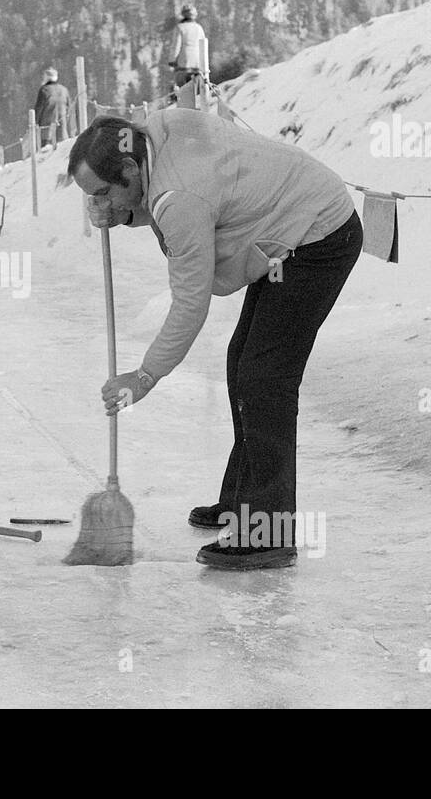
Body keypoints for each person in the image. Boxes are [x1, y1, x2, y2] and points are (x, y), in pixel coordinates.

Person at [67, 111, 361, 571]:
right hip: (286, 226)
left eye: (102, 192)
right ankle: (242, 500)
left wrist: (144, 377)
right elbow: (178, 190)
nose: (98, 202)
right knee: (242, 362)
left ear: (129, 170)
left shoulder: (178, 198)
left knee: (265, 379)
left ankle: (267, 532)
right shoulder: (151, 136)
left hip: (318, 237)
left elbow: (190, 302)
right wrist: (122, 211)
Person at [168, 4, 207, 91]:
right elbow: (203, 45)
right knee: (195, 90)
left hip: (183, 63)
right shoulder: (199, 28)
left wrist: (172, 60)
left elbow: (176, 46)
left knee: (183, 91)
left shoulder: (180, 27)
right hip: (197, 63)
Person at [34, 67, 70, 148]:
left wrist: (35, 122)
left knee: (46, 155)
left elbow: (39, 108)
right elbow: (69, 108)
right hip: (62, 130)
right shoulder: (64, 90)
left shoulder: (44, 90)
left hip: (46, 131)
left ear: (46, 77)